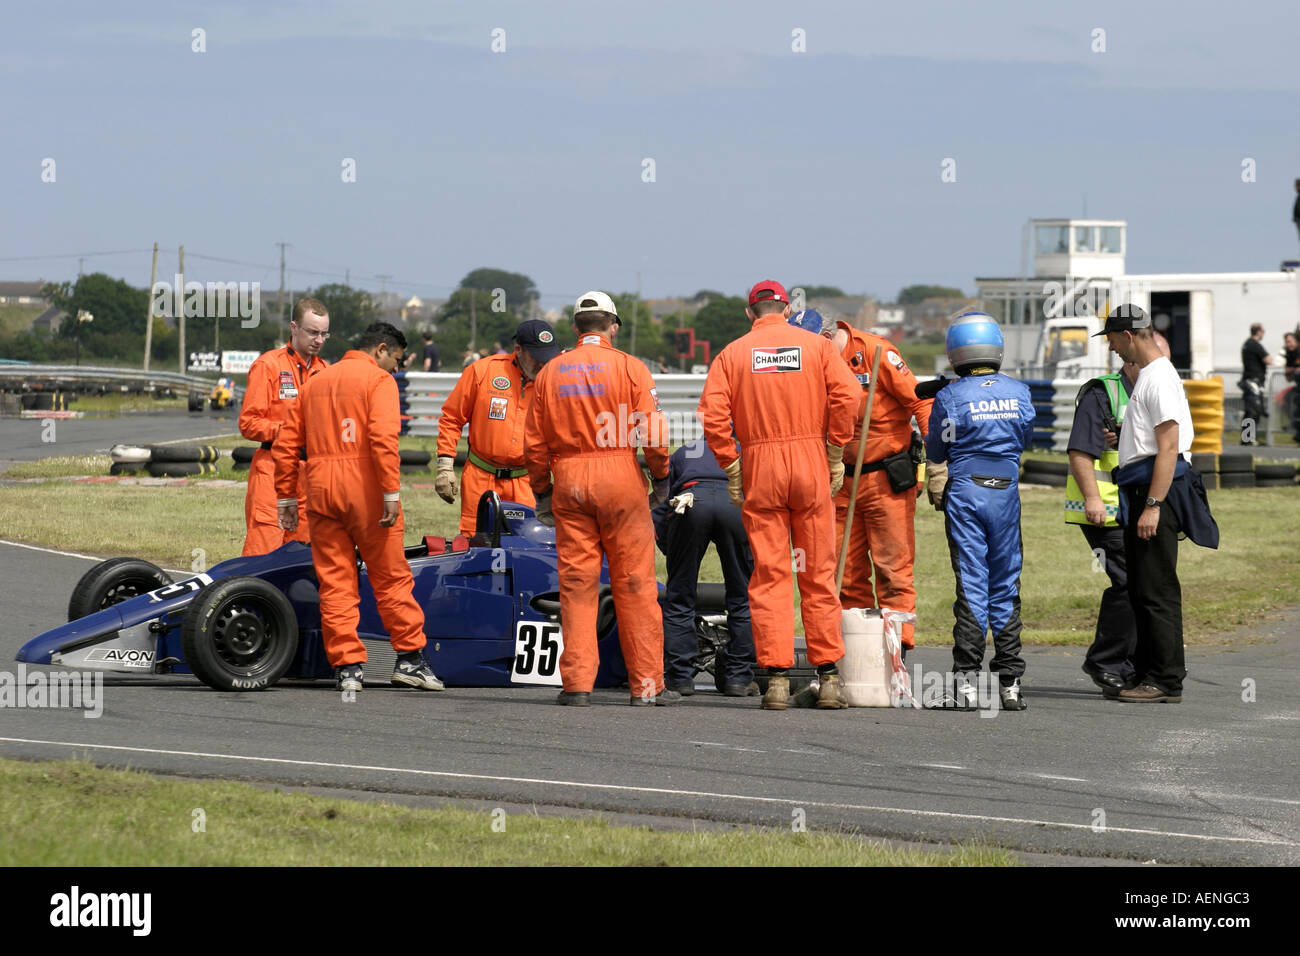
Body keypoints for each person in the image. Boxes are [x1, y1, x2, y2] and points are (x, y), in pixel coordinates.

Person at [698, 280, 860, 710]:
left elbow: (712, 414)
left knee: (770, 576)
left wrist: (732, 467)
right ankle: (827, 679)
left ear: (751, 314)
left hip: (761, 468)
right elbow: (849, 394)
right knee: (819, 574)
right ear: (787, 310)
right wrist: (835, 450)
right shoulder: (818, 347)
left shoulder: (732, 353)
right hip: (810, 462)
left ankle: (776, 682)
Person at [273, 322, 444, 693]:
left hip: (321, 490)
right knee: (390, 578)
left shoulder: (315, 381)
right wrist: (390, 493)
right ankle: (410, 659)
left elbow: (286, 444)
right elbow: (384, 439)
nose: (396, 370)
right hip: (364, 490)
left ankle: (348, 666)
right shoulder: (378, 382)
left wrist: (286, 497)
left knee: (335, 582)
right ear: (381, 350)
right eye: (396, 360)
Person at [524, 291, 674, 706]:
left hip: (570, 480)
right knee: (635, 583)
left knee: (576, 585)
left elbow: (533, 444)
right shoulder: (631, 368)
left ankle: (576, 685)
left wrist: (543, 490)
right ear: (613, 326)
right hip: (620, 477)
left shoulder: (550, 373)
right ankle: (645, 686)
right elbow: (655, 435)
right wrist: (660, 477)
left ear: (575, 328)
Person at [1102, 304, 1218, 703]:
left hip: (1156, 494)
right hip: (1146, 487)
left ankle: (1165, 679)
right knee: (1142, 588)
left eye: (1114, 340)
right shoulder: (1152, 377)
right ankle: (1151, 672)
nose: (1113, 349)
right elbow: (1156, 441)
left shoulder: (1158, 379)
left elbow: (1169, 448)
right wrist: (1128, 439)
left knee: (1156, 591)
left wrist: (1153, 504)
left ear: (1130, 335)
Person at [925, 311, 1035, 711]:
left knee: (972, 582)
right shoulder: (1020, 392)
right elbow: (1024, 436)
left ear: (955, 353)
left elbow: (936, 449)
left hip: (966, 492)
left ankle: (966, 683)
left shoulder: (949, 396)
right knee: (1006, 583)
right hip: (1005, 490)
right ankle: (1011, 683)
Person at [825, 316, 932, 654]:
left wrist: (938, 456)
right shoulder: (814, 360)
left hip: (887, 477)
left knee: (893, 567)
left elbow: (920, 401)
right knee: (844, 570)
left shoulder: (878, 352)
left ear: (828, 335)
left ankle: (897, 646)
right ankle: (855, 647)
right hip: (840, 478)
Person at [651, 438, 757, 697]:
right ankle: (738, 678)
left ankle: (680, 678)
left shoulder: (685, 452)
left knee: (679, 596)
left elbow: (662, 504)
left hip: (690, 500)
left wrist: (671, 550)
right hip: (735, 503)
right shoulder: (750, 450)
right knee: (743, 595)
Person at [435, 320, 560, 536]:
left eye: (547, 358)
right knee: (477, 543)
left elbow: (560, 437)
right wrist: (445, 466)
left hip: (526, 483)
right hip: (481, 478)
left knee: (526, 546)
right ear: (518, 349)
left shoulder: (555, 383)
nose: (542, 364)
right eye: (536, 357)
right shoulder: (482, 371)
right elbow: (452, 418)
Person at [1065, 354, 1142, 693]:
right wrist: (1093, 499)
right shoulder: (1102, 393)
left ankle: (1130, 664)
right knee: (1126, 580)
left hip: (1138, 506)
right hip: (1104, 509)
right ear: (1131, 361)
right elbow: (1080, 451)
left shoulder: (1157, 391)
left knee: (1143, 584)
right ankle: (1106, 661)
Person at [238, 297, 330, 556]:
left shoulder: (327, 373)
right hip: (273, 470)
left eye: (324, 334)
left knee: (303, 559)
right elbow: (248, 423)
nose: (319, 340)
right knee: (263, 552)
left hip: (311, 475)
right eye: (313, 332)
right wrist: (288, 432)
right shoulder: (269, 365)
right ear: (294, 328)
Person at [1239, 323, 1275, 444]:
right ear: (1258, 332)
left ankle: (1247, 438)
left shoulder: (1247, 344)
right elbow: (1269, 360)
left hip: (1249, 381)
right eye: (1263, 331)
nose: (1263, 333)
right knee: (1253, 410)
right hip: (1253, 382)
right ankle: (1248, 439)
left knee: (1250, 410)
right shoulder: (1254, 345)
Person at [1282, 330, 1300, 442]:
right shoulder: (1289, 355)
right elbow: (1288, 377)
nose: (1289, 344)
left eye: (1290, 341)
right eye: (1286, 342)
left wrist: (1292, 370)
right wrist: (1294, 370)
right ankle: (1247, 439)